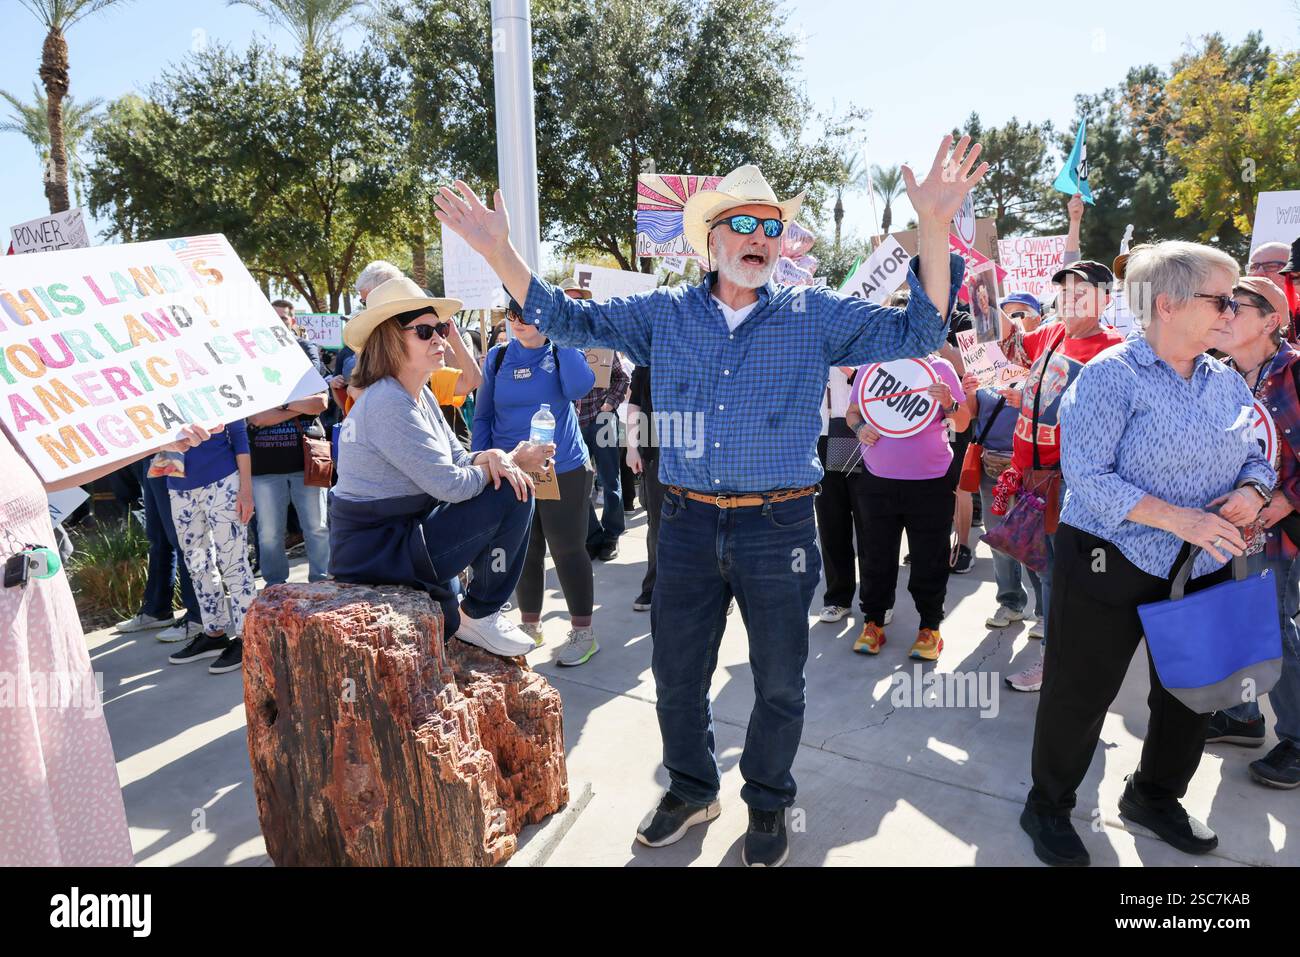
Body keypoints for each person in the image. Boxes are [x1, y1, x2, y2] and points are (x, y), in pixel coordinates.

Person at [435, 133, 983, 866]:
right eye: (744, 225)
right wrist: (502, 252)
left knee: (781, 682)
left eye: (772, 227)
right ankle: (693, 788)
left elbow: (919, 328)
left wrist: (937, 229)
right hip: (687, 525)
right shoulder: (664, 313)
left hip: (779, 525)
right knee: (676, 677)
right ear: (710, 241)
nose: (760, 239)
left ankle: (767, 800)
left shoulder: (814, 313)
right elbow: (568, 319)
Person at [1021, 240, 1274, 867]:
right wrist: (1178, 519)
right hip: (1108, 560)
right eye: (1222, 298)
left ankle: (1154, 797)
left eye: (1238, 299)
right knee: (1082, 694)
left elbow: (1256, 452)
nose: (1232, 309)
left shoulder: (1225, 379)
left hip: (1203, 564)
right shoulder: (1110, 376)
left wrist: (1252, 487)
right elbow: (1087, 475)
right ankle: (1048, 805)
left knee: (1192, 694)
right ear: (1167, 304)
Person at [1, 423, 209, 865]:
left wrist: (154, 441)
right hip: (13, 646)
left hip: (43, 635)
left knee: (62, 784)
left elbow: (51, 471)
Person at [329, 278, 547, 657]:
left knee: (508, 479)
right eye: (426, 331)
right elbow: (450, 485)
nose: (441, 339)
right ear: (391, 340)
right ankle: (481, 612)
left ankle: (476, 612)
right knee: (514, 488)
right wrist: (508, 462)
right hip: (378, 549)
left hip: (402, 533)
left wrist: (491, 456)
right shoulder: (388, 402)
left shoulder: (417, 394)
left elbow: (459, 461)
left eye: (442, 329)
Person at [996, 259, 1124, 692]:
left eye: (1081, 291)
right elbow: (1005, 344)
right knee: (1038, 563)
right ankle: (1060, 648)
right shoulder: (1049, 334)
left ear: (1106, 298)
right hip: (1030, 472)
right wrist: (980, 284)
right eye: (1065, 291)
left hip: (1069, 479)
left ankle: (1057, 660)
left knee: (1059, 573)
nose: (1070, 299)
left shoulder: (1115, 347)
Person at [1206, 276, 1300, 788]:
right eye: (1219, 304)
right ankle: (1243, 717)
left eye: (1234, 305)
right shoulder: (1216, 375)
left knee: (1272, 632)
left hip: (1274, 530)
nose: (1222, 313)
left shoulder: (1295, 371)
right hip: (1220, 529)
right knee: (1234, 626)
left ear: (1270, 320)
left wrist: (1284, 501)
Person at [472, 294, 599, 664]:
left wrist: (562, 336)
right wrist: (482, 464)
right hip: (512, 470)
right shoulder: (497, 357)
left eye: (528, 313)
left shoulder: (559, 352)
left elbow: (580, 388)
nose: (518, 320)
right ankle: (530, 625)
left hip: (563, 470)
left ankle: (582, 631)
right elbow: (482, 417)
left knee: (567, 548)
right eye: (512, 313)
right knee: (524, 549)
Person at [846, 353, 969, 659]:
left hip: (931, 481)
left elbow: (963, 421)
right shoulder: (871, 367)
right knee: (876, 555)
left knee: (930, 557)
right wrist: (860, 429)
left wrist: (949, 404)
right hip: (878, 480)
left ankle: (930, 628)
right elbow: (852, 413)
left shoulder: (940, 369)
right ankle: (873, 623)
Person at [165, 420, 257, 675]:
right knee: (197, 565)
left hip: (223, 482)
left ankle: (248, 636)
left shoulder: (211, 382)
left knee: (233, 561)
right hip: (178, 487)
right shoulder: (159, 389)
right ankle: (214, 632)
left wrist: (246, 490)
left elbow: (239, 435)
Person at [960, 371, 1043, 628]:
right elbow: (972, 414)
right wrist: (970, 393)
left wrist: (1027, 401)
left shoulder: (1039, 359)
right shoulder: (983, 363)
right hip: (992, 467)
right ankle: (1010, 602)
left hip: (1030, 467)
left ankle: (1044, 612)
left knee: (1033, 541)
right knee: (996, 537)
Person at [245, 389, 333, 586]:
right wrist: (300, 406)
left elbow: (319, 403)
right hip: (264, 467)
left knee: (317, 527)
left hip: (308, 463)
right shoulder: (250, 374)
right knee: (269, 532)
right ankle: (275, 585)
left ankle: (322, 581)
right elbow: (257, 417)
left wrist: (279, 404)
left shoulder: (301, 367)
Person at [114, 456, 205, 643]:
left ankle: (199, 615)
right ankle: (156, 610)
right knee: (158, 537)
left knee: (184, 539)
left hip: (175, 454)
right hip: (151, 456)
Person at [814, 365, 869, 623]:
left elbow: (869, 378)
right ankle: (837, 597)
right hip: (819, 434)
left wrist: (845, 367)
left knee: (866, 518)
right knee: (830, 519)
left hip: (852, 431)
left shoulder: (858, 334)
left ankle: (874, 601)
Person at [626, 363, 662, 612]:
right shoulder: (646, 355)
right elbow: (634, 403)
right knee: (658, 524)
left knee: (704, 523)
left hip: (697, 454)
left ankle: (721, 592)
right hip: (655, 452)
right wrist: (631, 448)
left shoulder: (701, 343)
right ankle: (653, 587)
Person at [272, 299, 327, 378]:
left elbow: (313, 378)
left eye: (283, 318)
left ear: (293, 322)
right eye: (273, 317)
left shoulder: (306, 346)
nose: (277, 321)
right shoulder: (257, 346)